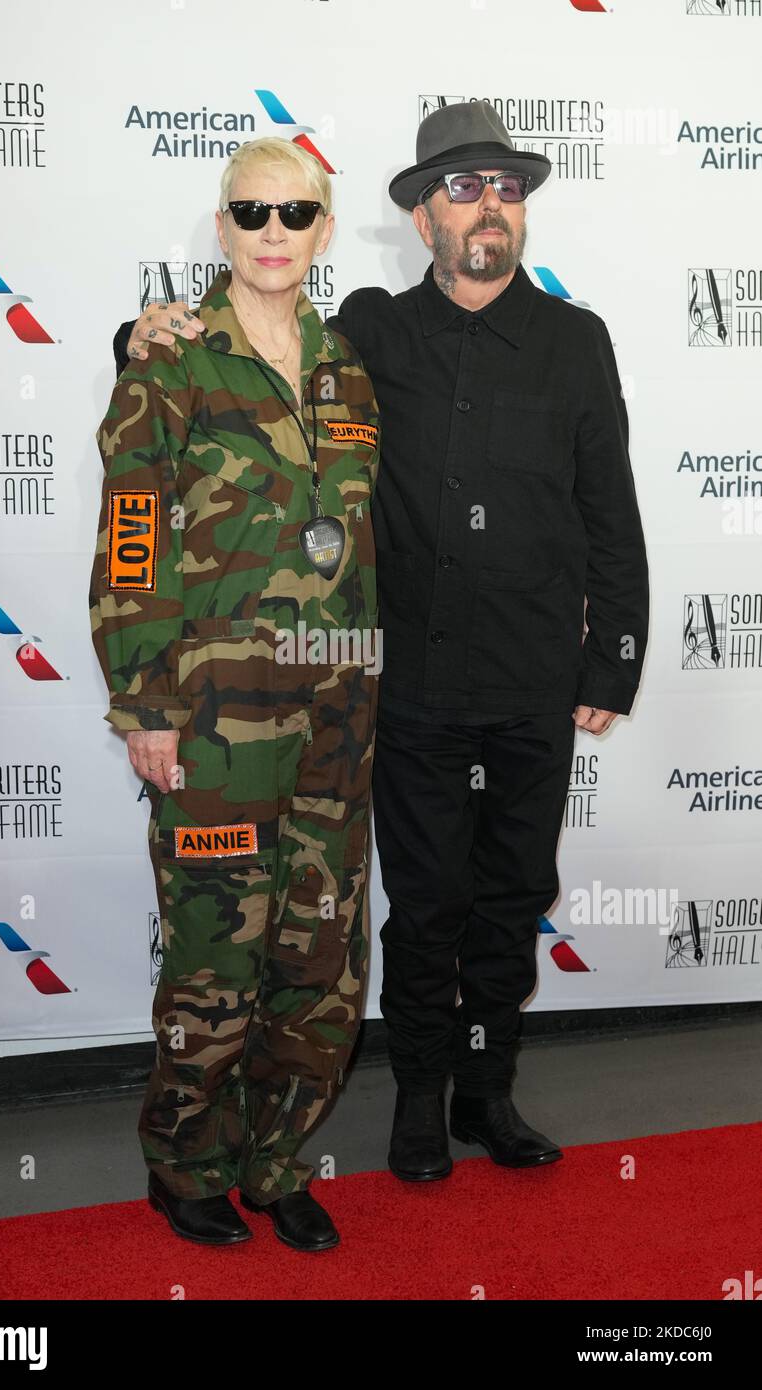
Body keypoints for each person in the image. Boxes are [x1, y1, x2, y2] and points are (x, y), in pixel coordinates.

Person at [114, 102, 649, 1185]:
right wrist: (135, 337)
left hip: (537, 676)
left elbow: (611, 509)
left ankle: (485, 1092)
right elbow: (249, 350)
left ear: (522, 206)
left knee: (511, 894)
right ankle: (415, 1099)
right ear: (420, 217)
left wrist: (613, 660)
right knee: (424, 898)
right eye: (462, 188)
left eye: (503, 185)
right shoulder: (368, 328)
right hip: (403, 683)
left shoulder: (576, 339)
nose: (486, 204)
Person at [89, 135, 380, 1251]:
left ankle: (274, 1158)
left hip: (337, 720)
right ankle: (184, 1162)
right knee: (218, 958)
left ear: (322, 231)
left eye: (293, 215)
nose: (271, 233)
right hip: (213, 724)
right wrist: (145, 704)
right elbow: (130, 545)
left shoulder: (345, 369)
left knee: (320, 956)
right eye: (249, 213)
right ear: (219, 228)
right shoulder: (169, 363)